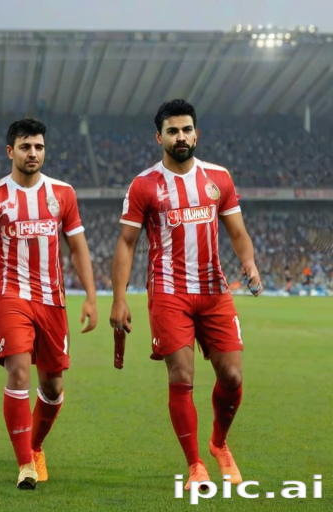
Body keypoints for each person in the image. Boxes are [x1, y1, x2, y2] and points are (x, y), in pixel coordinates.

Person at [109, 99, 263, 491]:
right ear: (159, 137)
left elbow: (238, 232)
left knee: (232, 376)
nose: (181, 137)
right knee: (181, 375)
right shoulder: (144, 184)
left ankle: (219, 443)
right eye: (173, 131)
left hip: (213, 291)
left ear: (197, 134)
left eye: (187, 129)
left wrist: (249, 263)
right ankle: (195, 465)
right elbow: (126, 243)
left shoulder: (218, 178)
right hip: (169, 292)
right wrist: (119, 299)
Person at [0, 118, 98, 490]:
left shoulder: (63, 194)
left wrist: (90, 297)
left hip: (52, 302)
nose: (33, 153)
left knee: (53, 386)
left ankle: (35, 446)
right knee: (19, 373)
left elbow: (78, 248)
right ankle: (25, 463)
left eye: (39, 147)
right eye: (26, 147)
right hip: (11, 298)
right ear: (10, 151)